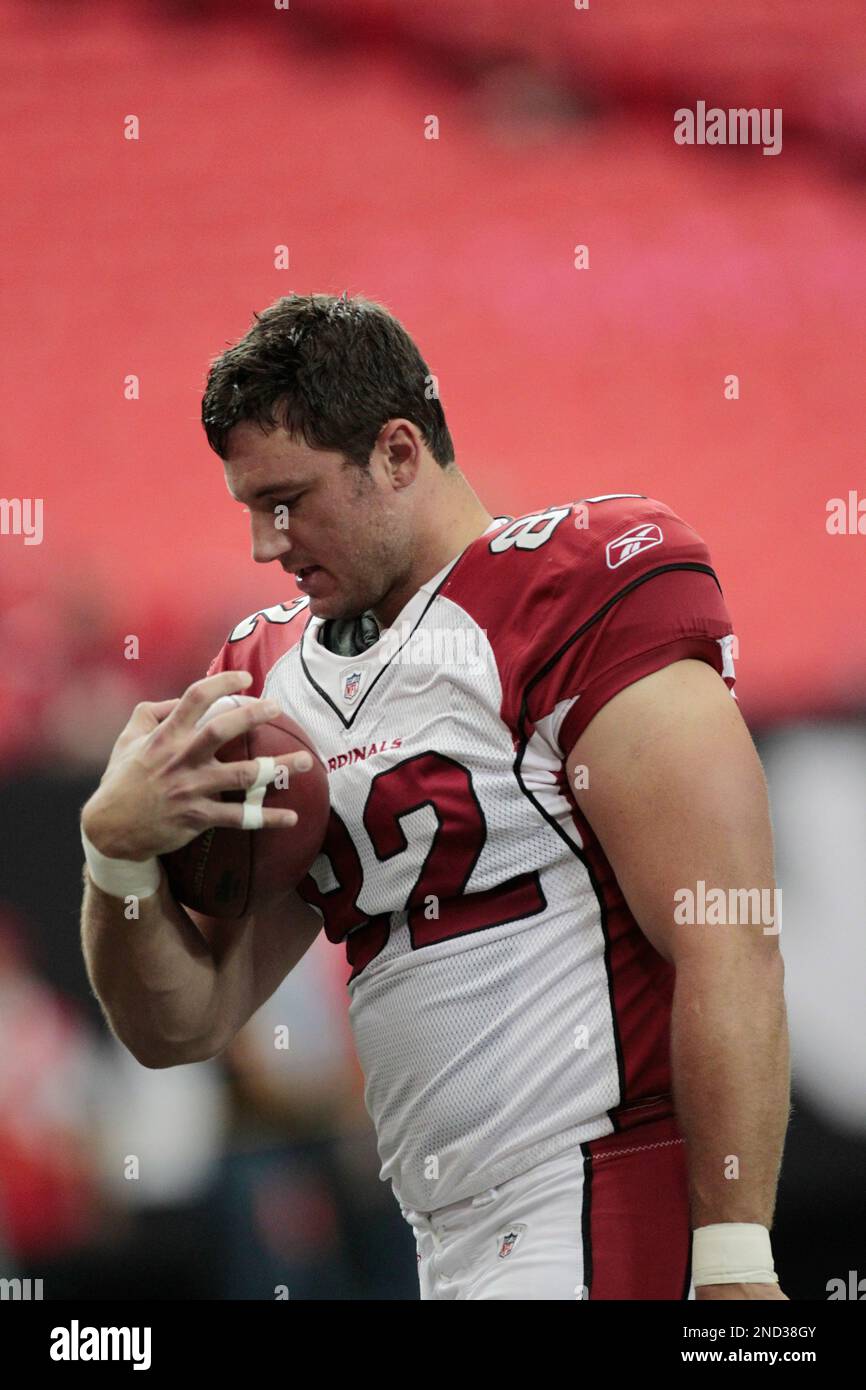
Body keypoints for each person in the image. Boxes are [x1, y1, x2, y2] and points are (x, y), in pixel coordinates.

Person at [80, 292, 790, 1300]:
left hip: (599, 1195)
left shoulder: (578, 587)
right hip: (441, 1237)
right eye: (247, 506)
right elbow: (181, 1024)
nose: (263, 543)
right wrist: (115, 855)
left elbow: (727, 936)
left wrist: (732, 1257)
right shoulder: (270, 680)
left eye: (287, 499)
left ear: (399, 453)